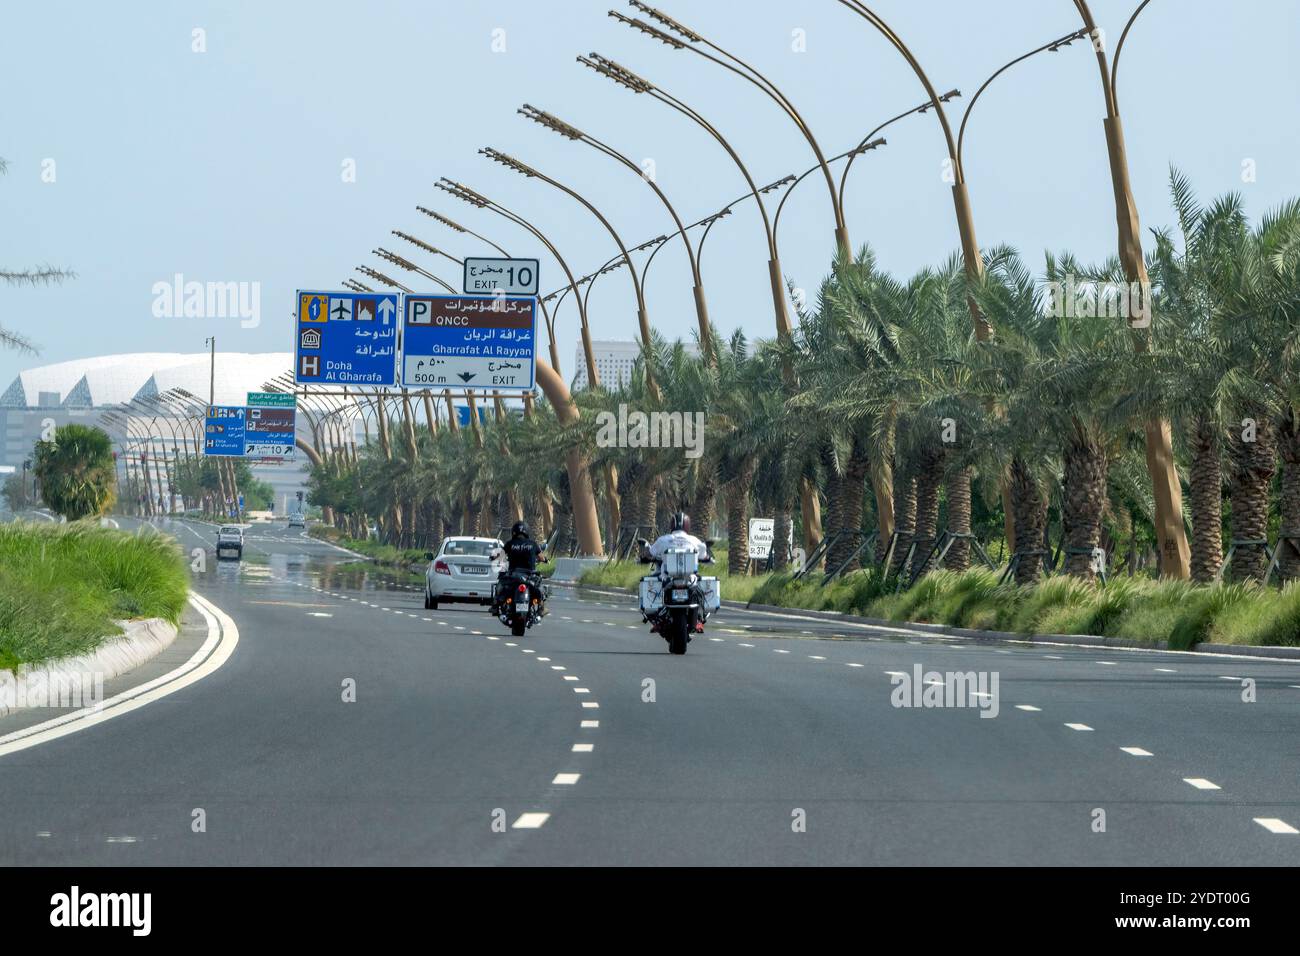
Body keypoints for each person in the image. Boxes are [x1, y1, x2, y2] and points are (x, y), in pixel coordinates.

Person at [641, 512, 711, 633]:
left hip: (667, 577)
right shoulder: (694, 540)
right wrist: (708, 558)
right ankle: (699, 620)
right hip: (690, 578)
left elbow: (650, 553)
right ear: (687, 525)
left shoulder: (663, 540)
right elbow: (704, 555)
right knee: (700, 591)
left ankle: (657, 621)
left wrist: (644, 557)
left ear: (672, 525)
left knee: (652, 587)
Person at [497, 521, 546, 609]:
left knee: (501, 585)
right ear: (527, 532)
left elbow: (500, 555)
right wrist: (545, 560)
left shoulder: (510, 543)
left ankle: (496, 605)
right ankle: (542, 608)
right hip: (529, 575)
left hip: (513, 574)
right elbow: (542, 558)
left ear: (514, 532)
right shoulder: (533, 544)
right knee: (539, 587)